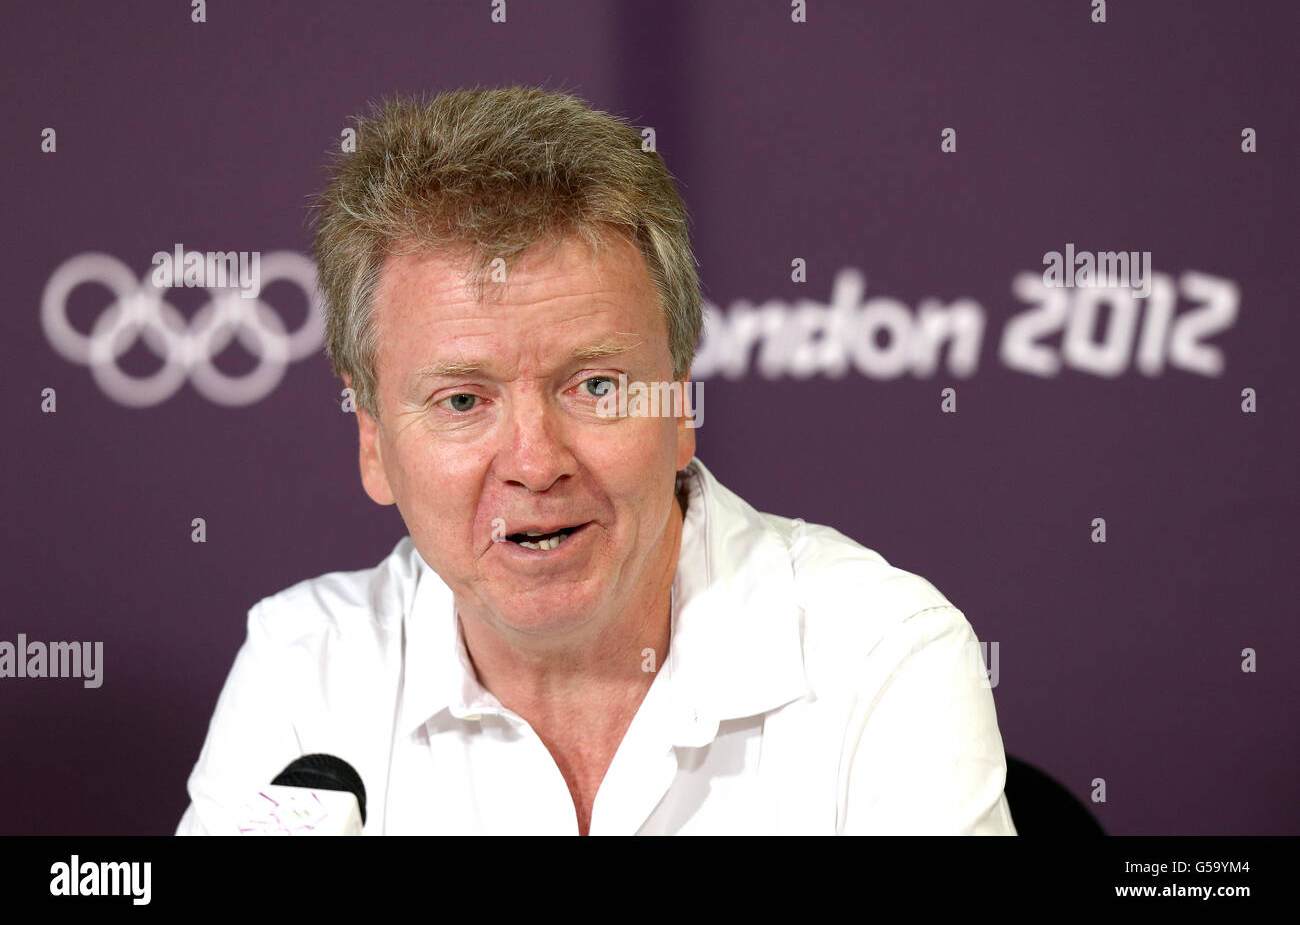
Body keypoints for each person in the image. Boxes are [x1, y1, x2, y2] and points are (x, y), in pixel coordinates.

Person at [176, 86, 1016, 835]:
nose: (536, 464)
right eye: (463, 400)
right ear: (373, 441)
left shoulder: (880, 656)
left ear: (680, 407)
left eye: (595, 385)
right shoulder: (303, 671)